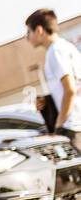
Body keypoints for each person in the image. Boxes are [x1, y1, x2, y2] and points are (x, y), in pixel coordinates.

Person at [25, 8, 81, 145]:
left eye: (28, 32)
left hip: (73, 126)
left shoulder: (55, 51)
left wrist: (59, 126)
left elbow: (70, 90)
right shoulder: (67, 47)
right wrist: (47, 101)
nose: (27, 37)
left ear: (39, 30)